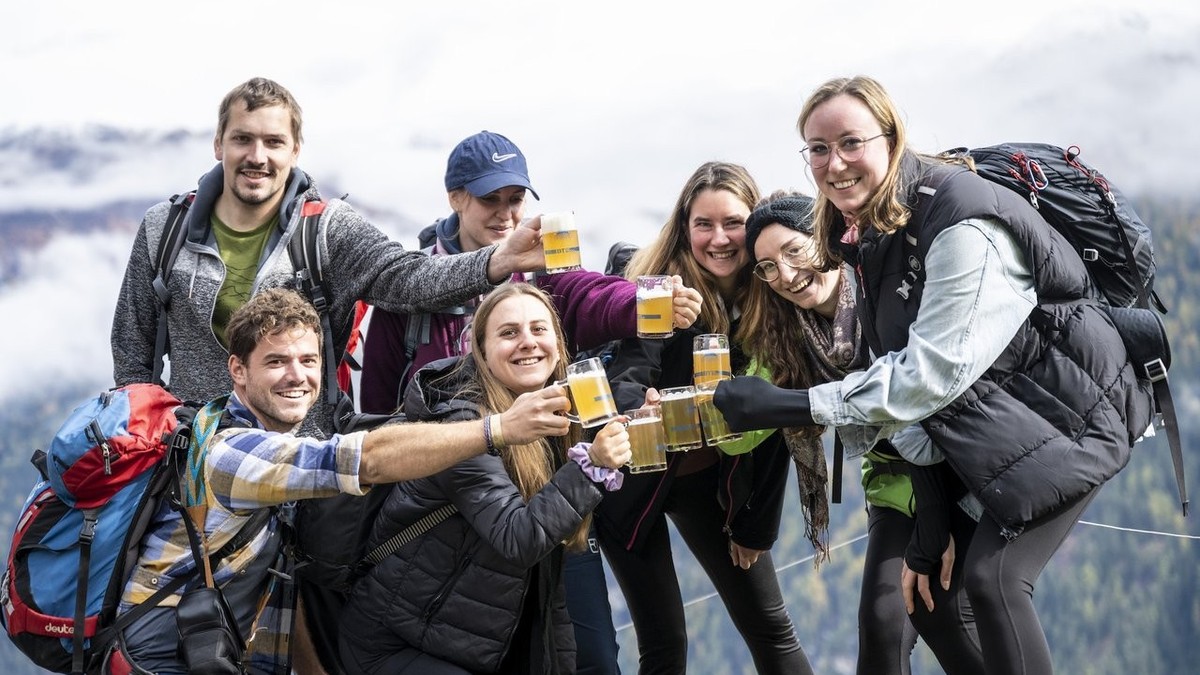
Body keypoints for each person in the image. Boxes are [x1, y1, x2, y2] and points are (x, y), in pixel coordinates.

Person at [715, 75, 1153, 674]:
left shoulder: (961, 224)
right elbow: (905, 384)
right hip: (1000, 424)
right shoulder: (870, 233)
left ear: (891, 138)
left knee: (994, 578)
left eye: (850, 142)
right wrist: (933, 518)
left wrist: (786, 406)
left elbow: (924, 378)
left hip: (1073, 407)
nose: (833, 162)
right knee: (934, 598)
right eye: (817, 149)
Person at [108, 79, 546, 673]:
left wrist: (496, 262)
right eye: (242, 139)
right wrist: (146, 459)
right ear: (218, 143)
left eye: (273, 141)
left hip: (306, 485)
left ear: (295, 150)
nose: (257, 156)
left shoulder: (326, 230)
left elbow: (405, 277)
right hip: (202, 486)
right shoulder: (165, 229)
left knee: (290, 641)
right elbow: (132, 352)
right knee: (198, 634)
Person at [354, 130, 702, 674]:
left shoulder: (541, 270)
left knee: (586, 660)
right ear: (455, 198)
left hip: (551, 495)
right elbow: (378, 412)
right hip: (452, 523)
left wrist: (645, 304)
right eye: (489, 199)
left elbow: (589, 294)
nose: (504, 213)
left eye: (514, 199)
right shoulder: (412, 289)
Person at [106, 287, 575, 674]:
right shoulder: (230, 454)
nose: (298, 376)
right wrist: (497, 430)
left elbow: (289, 585)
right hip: (165, 661)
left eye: (309, 361)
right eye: (276, 362)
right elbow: (363, 460)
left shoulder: (268, 443)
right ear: (237, 370)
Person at [738, 190, 983, 675]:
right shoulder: (786, 333)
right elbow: (749, 420)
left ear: (822, 235)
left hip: (960, 476)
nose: (785, 276)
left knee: (945, 619)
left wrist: (940, 520)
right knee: (882, 624)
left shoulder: (883, 295)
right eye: (767, 266)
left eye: (792, 250)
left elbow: (922, 401)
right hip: (894, 488)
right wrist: (695, 414)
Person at [339, 282, 632, 674]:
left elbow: (548, 587)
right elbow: (520, 538)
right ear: (481, 352)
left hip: (468, 645)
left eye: (539, 329)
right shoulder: (461, 426)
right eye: (509, 333)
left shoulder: (558, 425)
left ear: (559, 345)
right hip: (401, 642)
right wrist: (591, 466)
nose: (528, 342)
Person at [593, 161, 813, 674]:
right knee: (664, 643)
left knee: (770, 627)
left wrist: (754, 525)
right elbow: (631, 367)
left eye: (733, 222)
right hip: (632, 476)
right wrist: (631, 409)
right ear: (683, 227)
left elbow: (778, 421)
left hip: (710, 481)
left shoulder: (774, 295)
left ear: (753, 224)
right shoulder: (658, 288)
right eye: (703, 224)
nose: (719, 239)